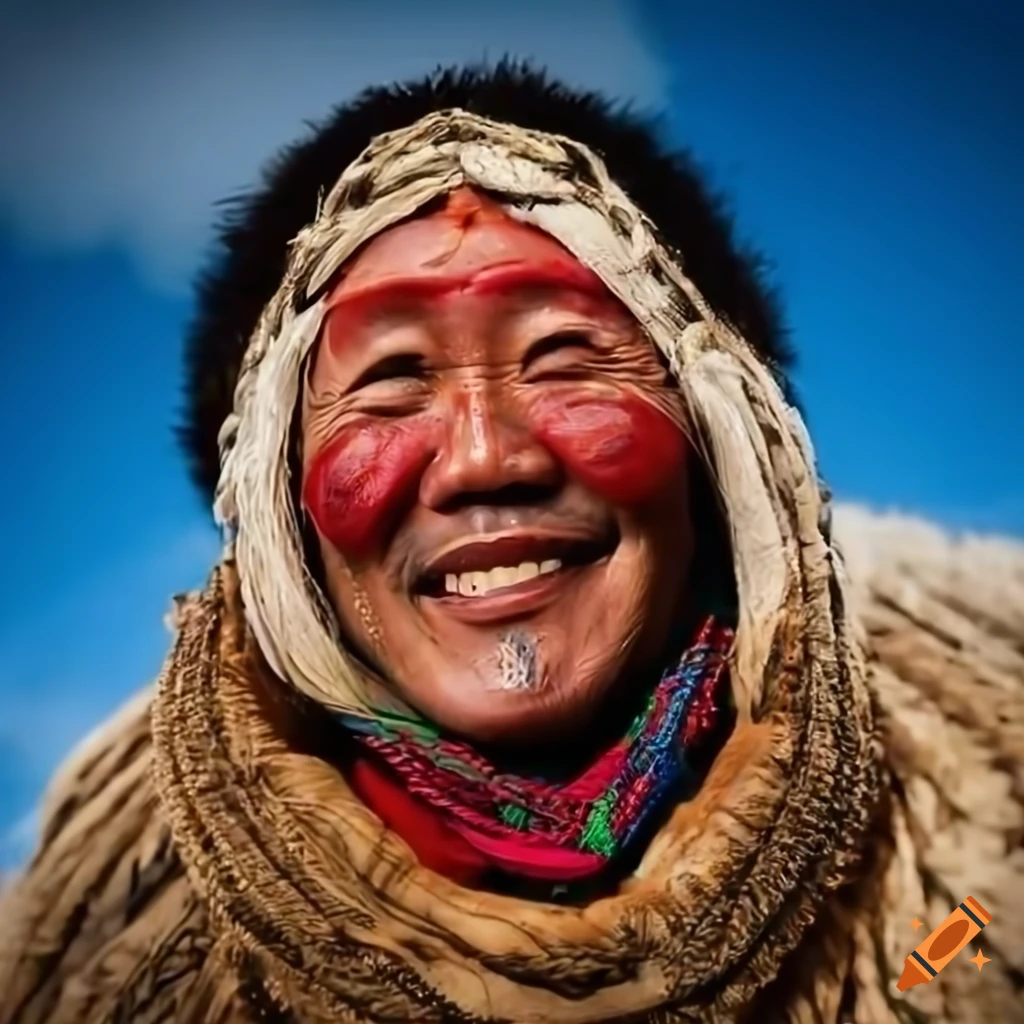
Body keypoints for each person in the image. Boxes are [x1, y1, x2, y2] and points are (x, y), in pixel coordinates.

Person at [0, 63, 1021, 1024]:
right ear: (276, 514)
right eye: (391, 381)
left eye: (564, 356)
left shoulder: (973, 887)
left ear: (729, 446)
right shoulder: (85, 960)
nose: (483, 458)